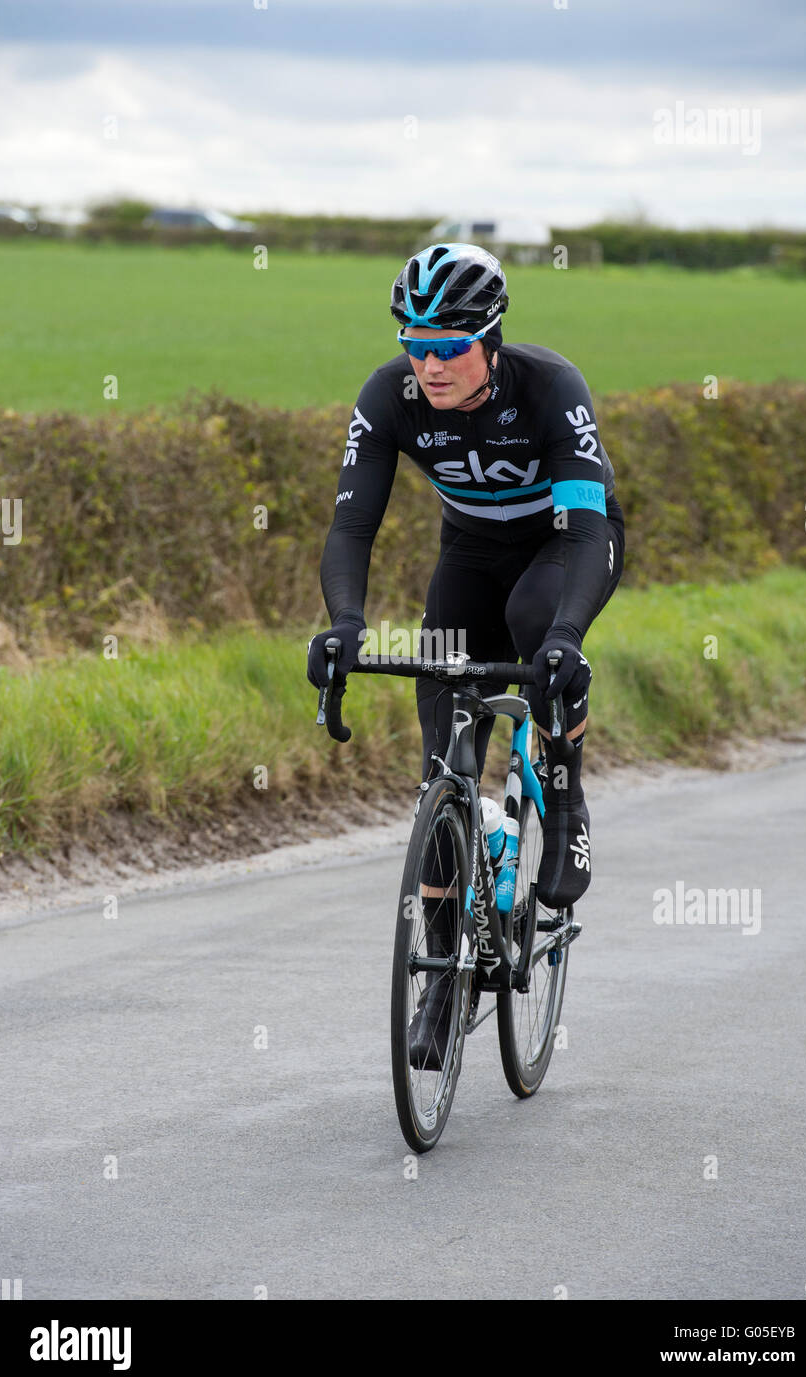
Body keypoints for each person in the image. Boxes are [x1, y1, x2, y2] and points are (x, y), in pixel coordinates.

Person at [307, 243, 625, 1064]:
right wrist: (345, 622)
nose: (429, 363)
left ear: (490, 338)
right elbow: (351, 527)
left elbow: (589, 529)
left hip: (563, 550)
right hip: (469, 559)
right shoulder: (391, 396)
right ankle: (445, 983)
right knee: (440, 751)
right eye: (414, 343)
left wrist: (566, 637)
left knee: (535, 620)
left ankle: (564, 796)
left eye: (448, 346)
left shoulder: (549, 388)